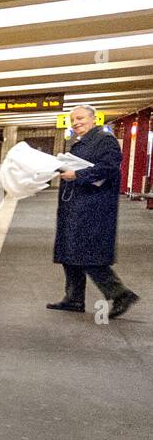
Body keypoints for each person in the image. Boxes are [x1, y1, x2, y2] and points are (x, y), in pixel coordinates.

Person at [47, 105, 140, 317]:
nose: (76, 123)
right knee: (69, 252)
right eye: (73, 120)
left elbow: (109, 168)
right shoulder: (80, 143)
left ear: (93, 119)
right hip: (76, 206)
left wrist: (77, 175)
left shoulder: (104, 140)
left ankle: (120, 293)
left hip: (93, 208)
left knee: (88, 253)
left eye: (80, 118)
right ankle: (73, 298)